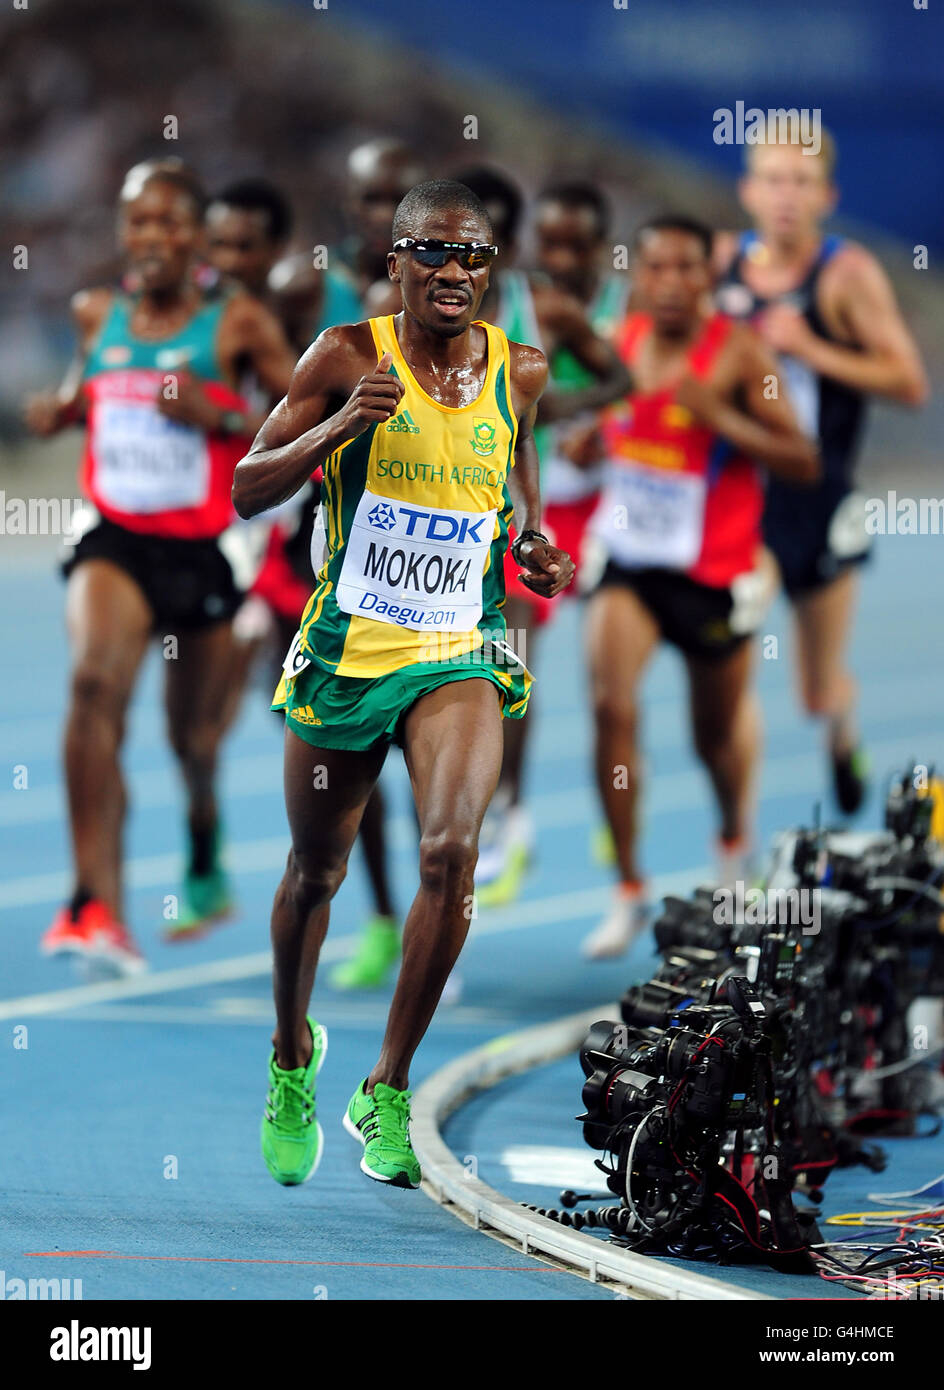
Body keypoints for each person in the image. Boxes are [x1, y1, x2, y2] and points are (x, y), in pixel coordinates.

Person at [232, 179, 573, 1188]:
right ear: (394, 264)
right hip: (347, 650)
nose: (454, 272)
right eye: (431, 252)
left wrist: (532, 544)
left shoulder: (521, 370)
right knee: (314, 875)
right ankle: (293, 1055)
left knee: (448, 851)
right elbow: (248, 486)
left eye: (471, 257)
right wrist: (335, 429)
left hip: (458, 645)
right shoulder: (343, 354)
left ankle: (385, 1085)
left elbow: (518, 487)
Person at [24, 164, 297, 970]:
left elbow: (297, 419)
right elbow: (87, 389)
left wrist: (219, 415)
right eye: (138, 223)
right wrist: (61, 408)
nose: (152, 238)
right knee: (92, 689)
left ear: (196, 238)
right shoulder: (96, 313)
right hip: (114, 541)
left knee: (193, 742)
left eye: (170, 224)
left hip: (201, 556)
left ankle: (203, 834)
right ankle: (91, 905)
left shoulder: (239, 322)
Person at [581, 215, 819, 960]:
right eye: (658, 268)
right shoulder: (620, 344)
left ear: (708, 278)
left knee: (713, 739)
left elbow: (802, 461)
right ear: (640, 275)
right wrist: (589, 440)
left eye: (688, 268)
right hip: (630, 564)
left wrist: (722, 419)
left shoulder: (741, 355)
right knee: (610, 706)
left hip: (713, 577)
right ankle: (627, 889)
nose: (672, 282)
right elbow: (603, 432)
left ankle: (729, 845)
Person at [205, 176, 402, 990]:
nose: (229, 264)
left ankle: (392, 915)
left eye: (244, 247)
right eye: (218, 247)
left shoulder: (304, 306)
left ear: (279, 251)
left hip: (334, 547)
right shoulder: (214, 314)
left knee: (357, 741)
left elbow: (300, 403)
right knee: (305, 734)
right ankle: (247, 871)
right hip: (275, 548)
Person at [715, 132, 928, 814]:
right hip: (743, 494)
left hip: (821, 496)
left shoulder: (845, 275)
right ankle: (736, 837)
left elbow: (909, 382)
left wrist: (809, 347)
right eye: (773, 179)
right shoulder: (720, 266)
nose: (786, 196)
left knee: (816, 688)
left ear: (827, 196)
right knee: (735, 645)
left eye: (802, 182)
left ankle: (841, 731)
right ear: (748, 189)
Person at [446, 167, 631, 905]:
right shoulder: (398, 311)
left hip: (515, 520)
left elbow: (619, 379)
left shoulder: (541, 309)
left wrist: (554, 412)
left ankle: (506, 817)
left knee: (511, 658)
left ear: (507, 243)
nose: (462, 257)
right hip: (427, 531)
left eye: (485, 239)